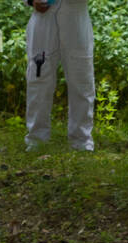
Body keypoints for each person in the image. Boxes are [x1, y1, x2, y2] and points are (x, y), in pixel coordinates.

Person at [24, 0, 95, 152]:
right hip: (43, 18)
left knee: (82, 80)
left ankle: (82, 140)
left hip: (75, 16)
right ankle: (36, 139)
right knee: (38, 78)